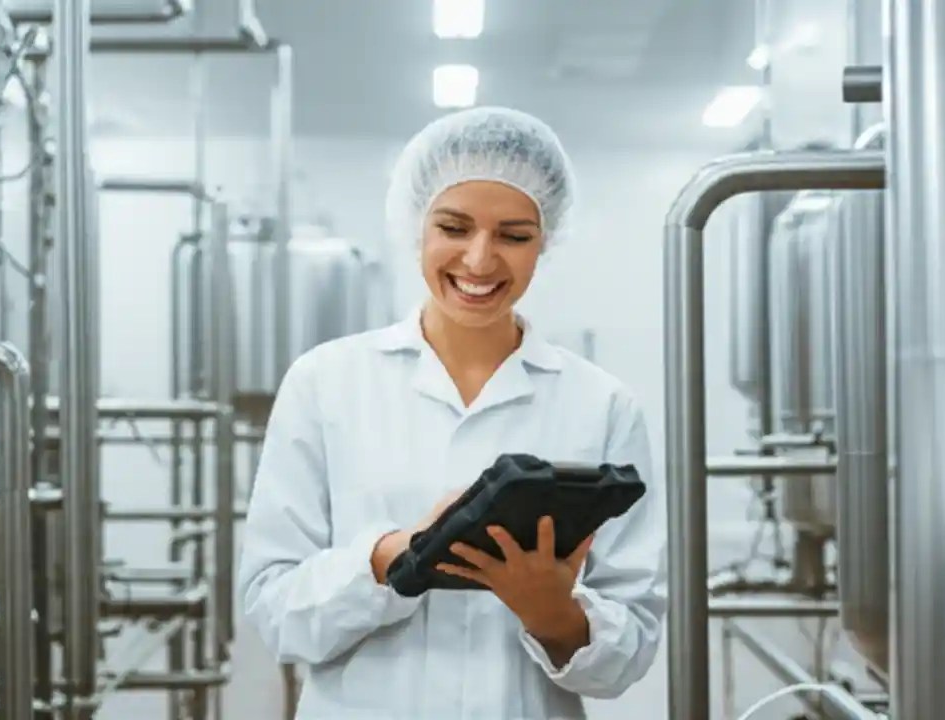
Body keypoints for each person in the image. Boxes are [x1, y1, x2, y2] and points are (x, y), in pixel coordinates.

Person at [238, 106, 666, 720]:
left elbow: (634, 641)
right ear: (418, 226)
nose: (479, 260)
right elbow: (275, 612)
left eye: (514, 235)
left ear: (546, 242)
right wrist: (396, 557)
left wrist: (556, 615)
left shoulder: (602, 404)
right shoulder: (326, 382)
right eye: (454, 227)